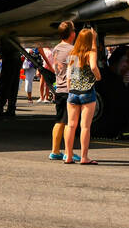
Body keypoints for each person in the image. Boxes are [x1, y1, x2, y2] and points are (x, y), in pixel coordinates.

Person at [62, 27, 101, 165]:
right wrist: (98, 76)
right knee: (85, 126)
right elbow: (93, 66)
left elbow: (70, 74)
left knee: (71, 125)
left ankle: (68, 155)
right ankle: (84, 157)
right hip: (87, 92)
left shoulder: (74, 53)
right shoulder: (91, 52)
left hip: (73, 92)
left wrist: (70, 88)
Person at [42, 21, 76, 160]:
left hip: (59, 88)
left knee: (59, 120)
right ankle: (69, 153)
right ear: (72, 34)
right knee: (69, 122)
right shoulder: (72, 50)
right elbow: (76, 73)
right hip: (69, 89)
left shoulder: (55, 49)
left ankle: (55, 151)